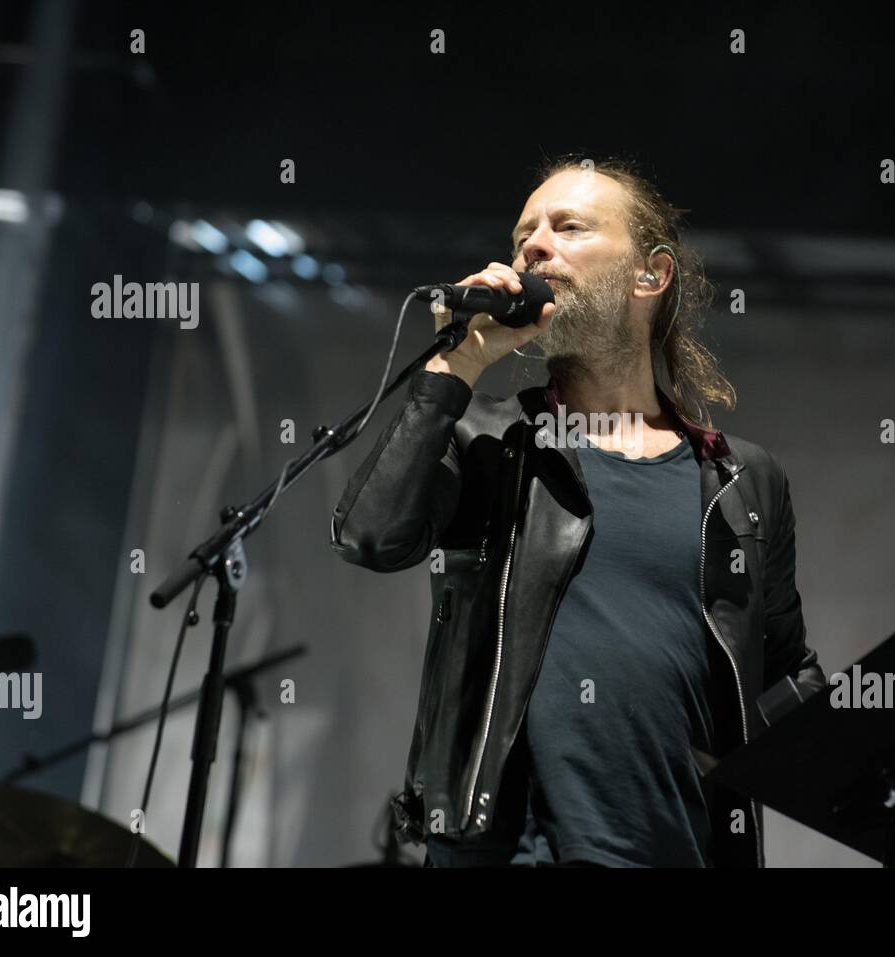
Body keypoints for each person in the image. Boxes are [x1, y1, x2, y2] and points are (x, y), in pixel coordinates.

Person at [331, 156, 825, 867]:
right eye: (524, 233)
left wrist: (893, 743)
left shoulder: (742, 480)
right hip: (507, 852)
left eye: (568, 227)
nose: (532, 246)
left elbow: (781, 675)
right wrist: (455, 370)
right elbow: (371, 537)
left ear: (650, 276)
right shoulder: (488, 441)